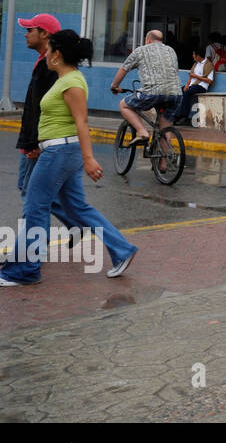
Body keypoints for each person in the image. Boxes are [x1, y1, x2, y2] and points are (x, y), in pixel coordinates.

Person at [0, 30, 139, 286]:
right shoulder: (66, 79)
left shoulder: (72, 82)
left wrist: (89, 159)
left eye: (50, 50)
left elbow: (81, 121)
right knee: (77, 208)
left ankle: (25, 270)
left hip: (61, 152)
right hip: (61, 150)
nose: (47, 55)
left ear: (58, 54)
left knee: (35, 205)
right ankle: (122, 249)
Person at [14, 14, 72, 227]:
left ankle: (31, 250)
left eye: (30, 30)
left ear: (45, 33)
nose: (26, 34)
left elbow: (46, 109)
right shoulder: (44, 61)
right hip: (33, 140)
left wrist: (37, 143)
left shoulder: (52, 65)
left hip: (39, 141)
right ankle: (74, 222)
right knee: (28, 188)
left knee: (32, 195)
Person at [109, 30, 182, 143]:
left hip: (152, 92)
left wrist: (115, 85)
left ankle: (142, 132)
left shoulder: (140, 51)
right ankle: (166, 157)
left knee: (124, 105)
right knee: (165, 128)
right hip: (176, 93)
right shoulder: (170, 50)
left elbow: (124, 69)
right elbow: (175, 71)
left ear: (148, 40)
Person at [174, 47, 215, 124]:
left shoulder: (208, 65)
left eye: (194, 54)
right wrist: (187, 85)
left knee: (187, 93)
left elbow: (209, 81)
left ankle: (184, 116)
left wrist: (196, 76)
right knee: (179, 91)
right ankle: (176, 115)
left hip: (201, 86)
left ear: (198, 55)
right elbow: (191, 76)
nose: (193, 56)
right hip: (192, 85)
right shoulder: (196, 64)